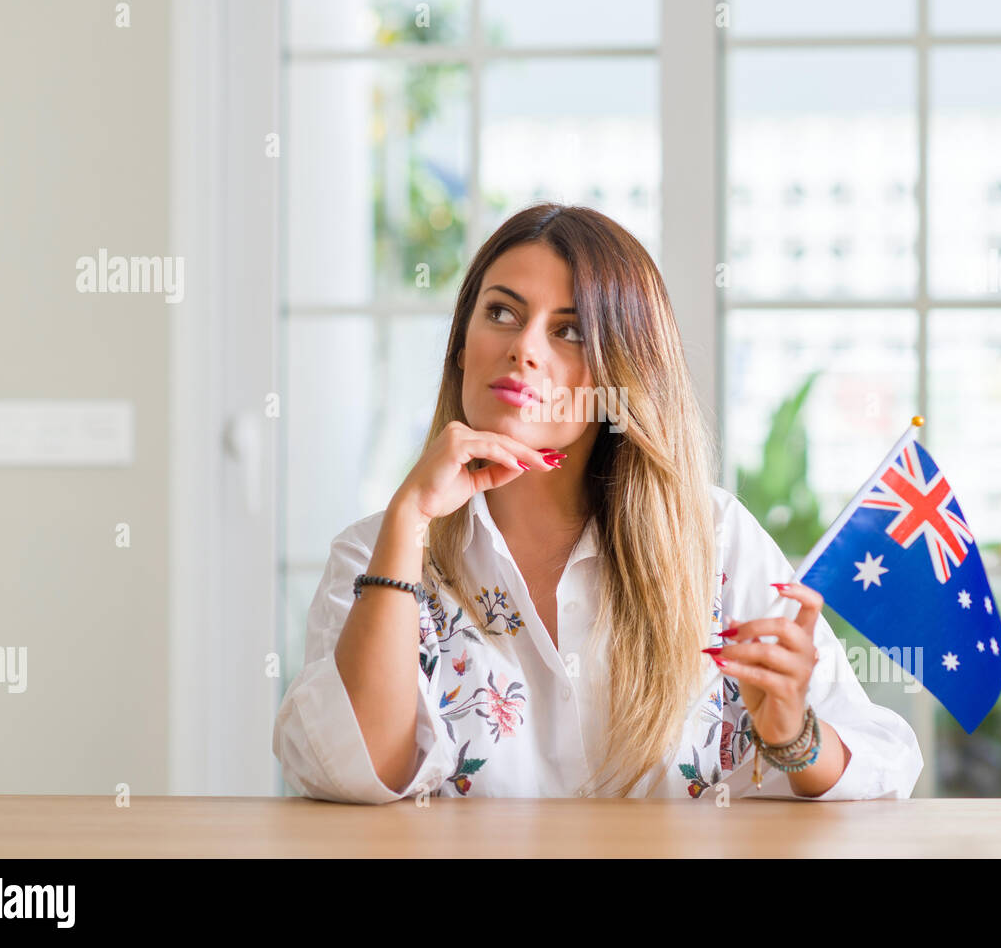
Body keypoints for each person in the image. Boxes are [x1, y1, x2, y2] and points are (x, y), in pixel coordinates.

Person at [272, 202, 923, 802]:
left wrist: (790, 733)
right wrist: (409, 518)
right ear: (461, 347)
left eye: (571, 330)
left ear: (623, 371)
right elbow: (352, 776)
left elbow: (885, 761)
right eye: (501, 313)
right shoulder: (377, 549)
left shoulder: (714, 537)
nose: (523, 348)